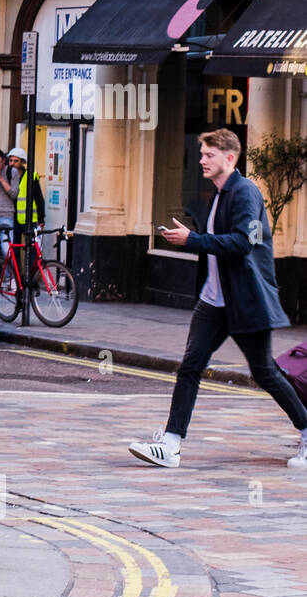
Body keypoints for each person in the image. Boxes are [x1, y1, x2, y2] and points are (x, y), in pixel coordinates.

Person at [130, 129, 307, 469]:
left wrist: (191, 239)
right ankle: (170, 443)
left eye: (208, 154)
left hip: (245, 300)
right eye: (202, 154)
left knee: (265, 372)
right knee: (190, 366)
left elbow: (243, 243)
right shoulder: (219, 195)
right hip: (214, 303)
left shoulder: (246, 194)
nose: (201, 160)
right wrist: (194, 240)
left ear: (230, 158)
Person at [7, 146, 44, 230]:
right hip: (12, 218)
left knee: (30, 243)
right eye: (10, 160)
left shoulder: (31, 176)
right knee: (14, 243)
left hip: (29, 219)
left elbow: (39, 199)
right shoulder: (6, 176)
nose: (12, 163)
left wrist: (41, 218)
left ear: (22, 162)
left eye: (16, 161)